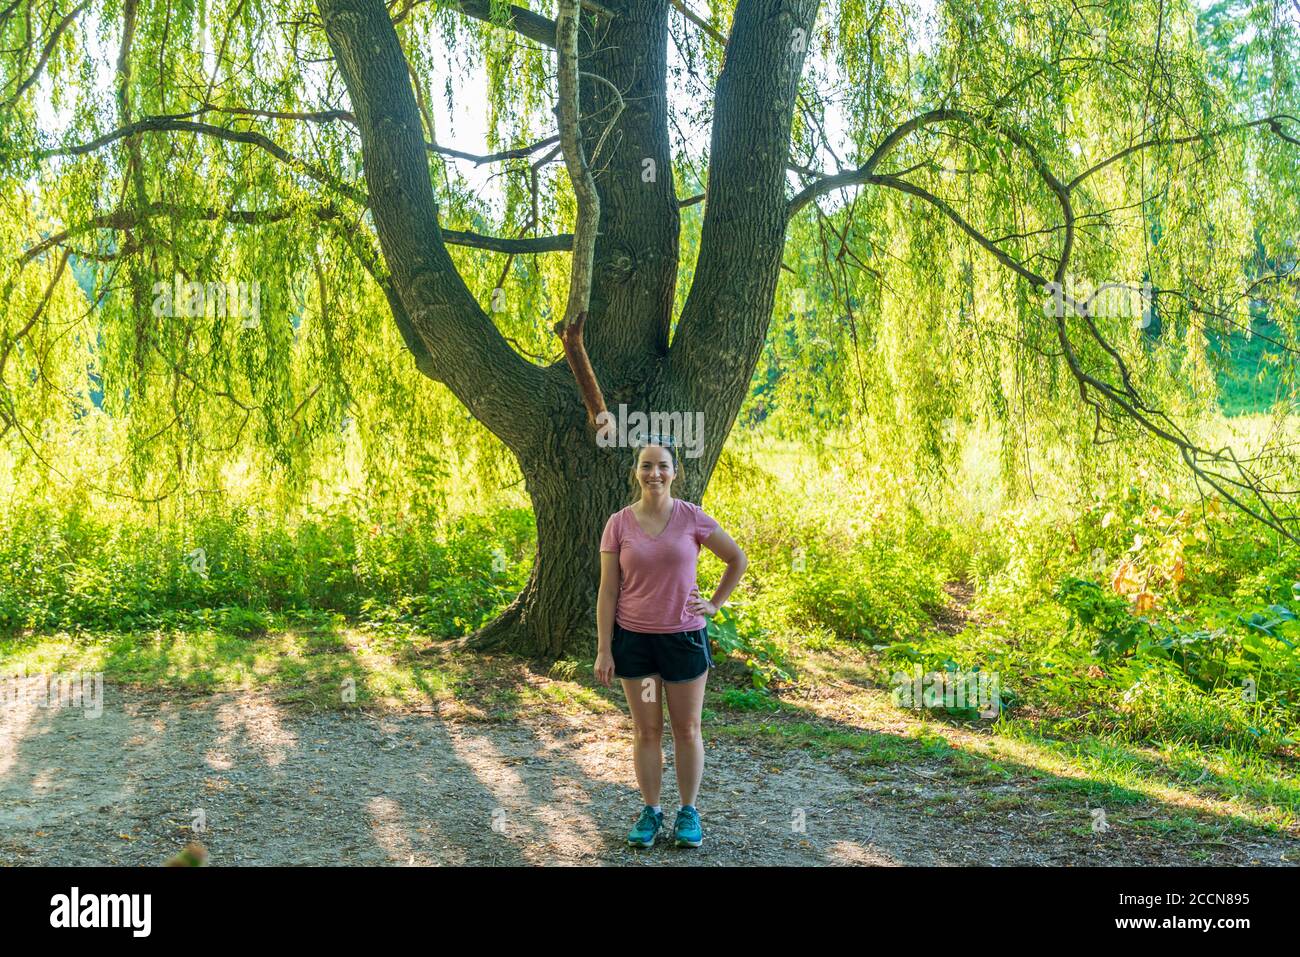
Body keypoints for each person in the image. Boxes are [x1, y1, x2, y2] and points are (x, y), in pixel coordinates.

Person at [593, 438, 748, 848]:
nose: (654, 473)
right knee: (646, 730)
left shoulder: (692, 518)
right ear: (636, 472)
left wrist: (713, 604)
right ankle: (651, 811)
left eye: (662, 466)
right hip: (636, 644)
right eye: (646, 466)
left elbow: (737, 559)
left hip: (683, 641)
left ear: (674, 472)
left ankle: (687, 812)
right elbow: (608, 591)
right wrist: (604, 648)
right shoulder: (619, 524)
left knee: (687, 728)